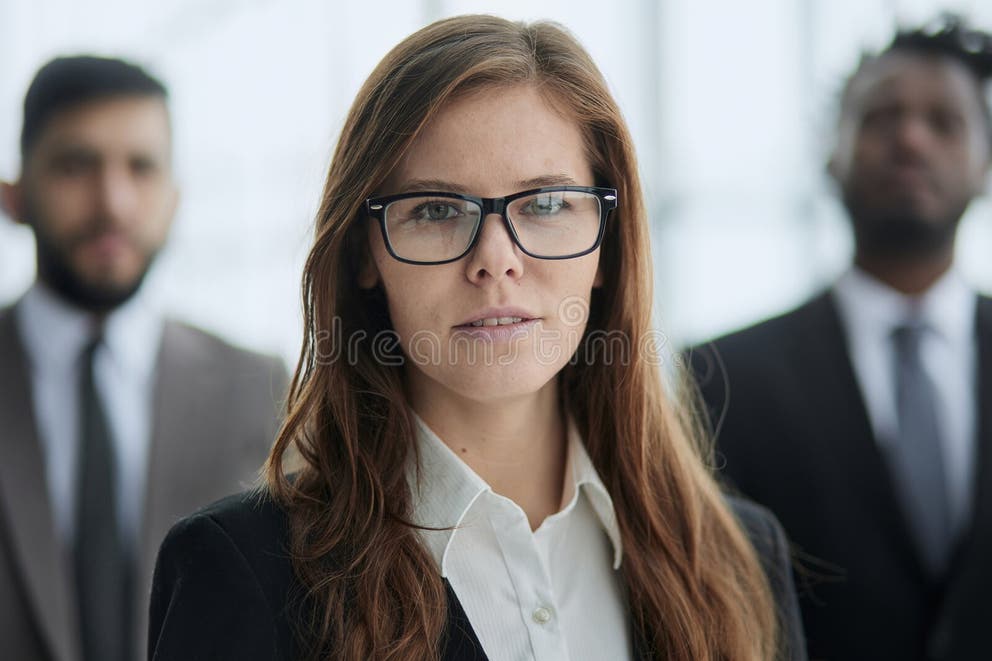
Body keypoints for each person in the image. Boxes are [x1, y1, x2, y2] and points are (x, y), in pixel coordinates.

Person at [149, 15, 806, 661]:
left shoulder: (736, 559)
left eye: (545, 204)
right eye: (436, 209)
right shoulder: (243, 569)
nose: (495, 259)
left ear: (608, 243)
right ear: (363, 256)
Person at [690, 15, 992, 661]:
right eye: (882, 117)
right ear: (833, 151)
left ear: (985, 163)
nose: (911, 138)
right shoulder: (721, 375)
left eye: (944, 121)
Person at [0, 56, 288, 661]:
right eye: (75, 166)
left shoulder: (256, 388)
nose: (113, 201)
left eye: (141, 167)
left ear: (175, 197)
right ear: (14, 194)